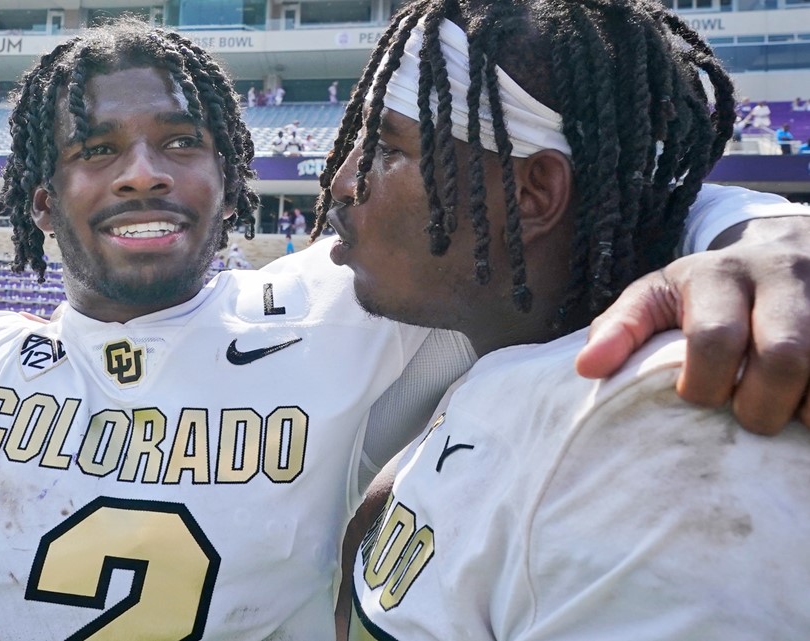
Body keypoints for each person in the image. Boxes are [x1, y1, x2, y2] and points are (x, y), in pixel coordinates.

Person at [0, 19, 810, 641]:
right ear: (38, 202)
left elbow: (590, 206)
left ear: (228, 178)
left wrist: (764, 229)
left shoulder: (352, 308)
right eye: (96, 149)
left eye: (181, 142)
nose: (144, 171)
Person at [316, 1, 810, 638]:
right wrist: (771, 231)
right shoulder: (482, 332)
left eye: (387, 149)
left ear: (533, 193)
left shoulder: (656, 438)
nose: (343, 180)